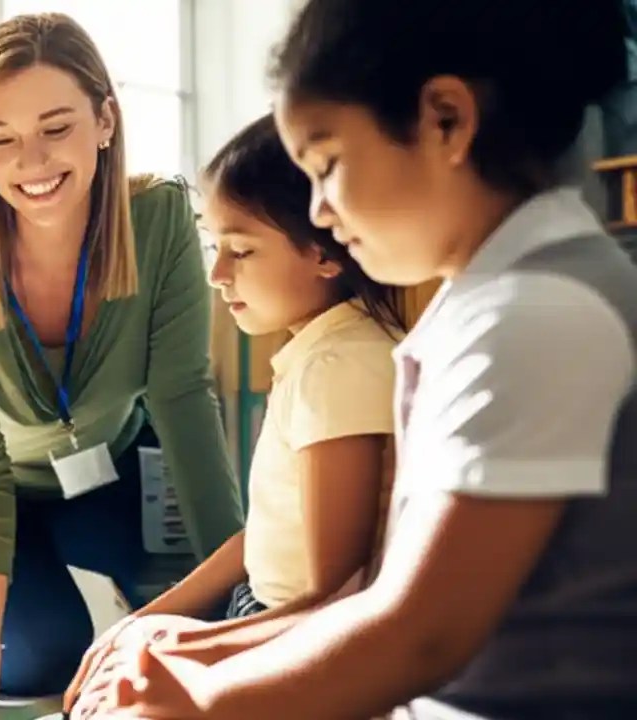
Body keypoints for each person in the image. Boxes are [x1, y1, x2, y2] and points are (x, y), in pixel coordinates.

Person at [72, 0, 637, 718]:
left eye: (327, 165)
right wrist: (194, 656)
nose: (319, 213)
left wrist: (204, 698)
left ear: (445, 121)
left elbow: (419, 634)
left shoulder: (541, 313)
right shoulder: (497, 302)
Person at [0, 12, 243, 718]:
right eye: (0, 140)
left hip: (104, 468)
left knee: (193, 618)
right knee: (37, 657)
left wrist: (236, 589)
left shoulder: (162, 219)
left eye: (56, 128)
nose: (33, 162)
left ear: (104, 119)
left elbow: (183, 400)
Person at [63, 112, 404, 713]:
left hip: (292, 633)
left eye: (241, 250)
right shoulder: (319, 352)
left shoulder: (341, 368)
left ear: (326, 248)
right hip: (263, 610)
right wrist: (149, 621)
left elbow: (335, 598)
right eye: (214, 247)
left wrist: (188, 650)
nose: (218, 276)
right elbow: (266, 538)